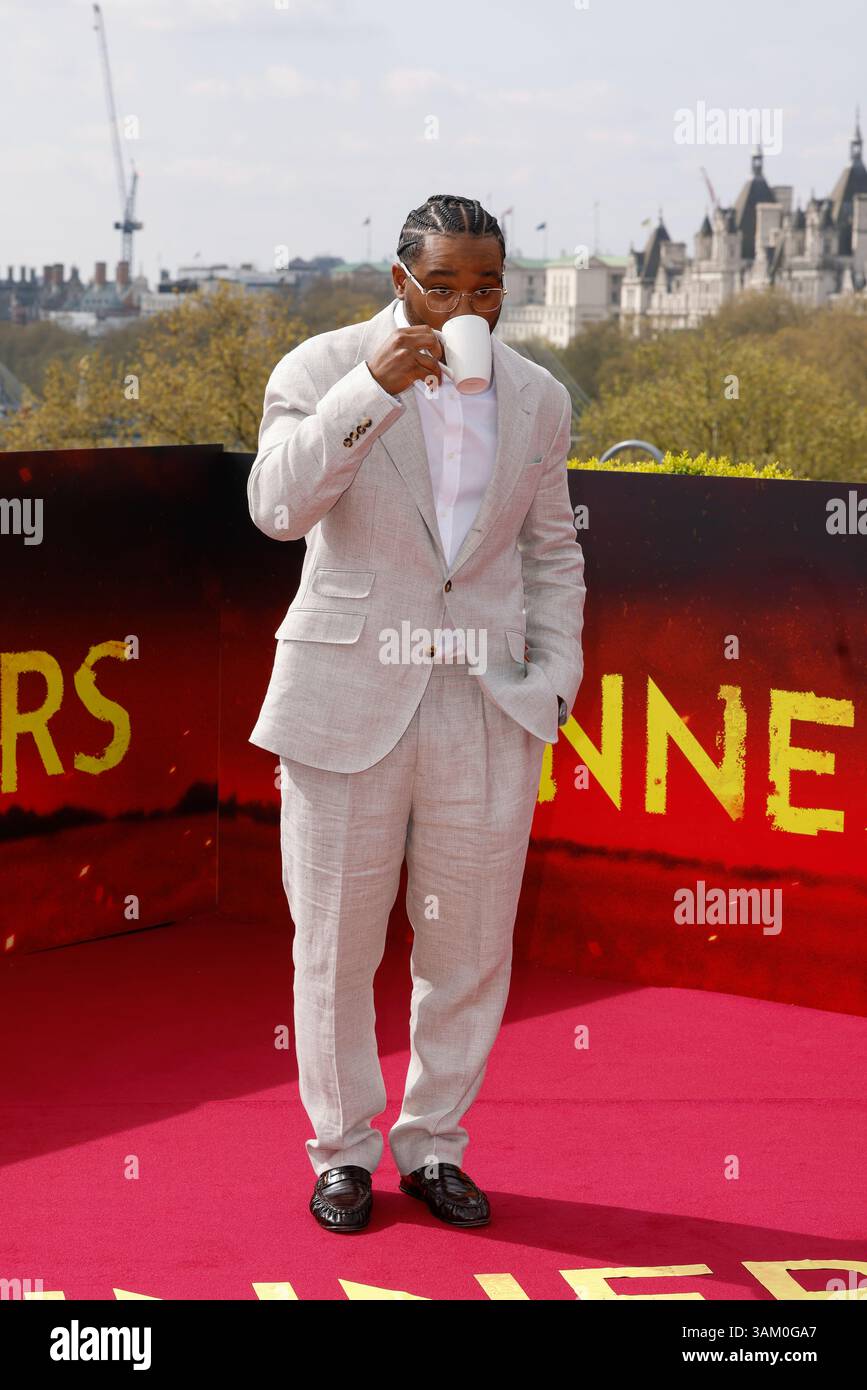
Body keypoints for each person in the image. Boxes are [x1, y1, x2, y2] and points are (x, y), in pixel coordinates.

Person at [247, 193, 586, 1233]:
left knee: (471, 948)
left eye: (487, 288)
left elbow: (551, 553)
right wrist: (370, 391)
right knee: (336, 946)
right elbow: (276, 509)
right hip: (345, 695)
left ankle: (434, 1145)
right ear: (402, 281)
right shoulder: (318, 369)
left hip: (484, 701)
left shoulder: (536, 396)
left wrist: (555, 682)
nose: (466, 304)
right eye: (443, 286)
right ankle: (343, 1152)